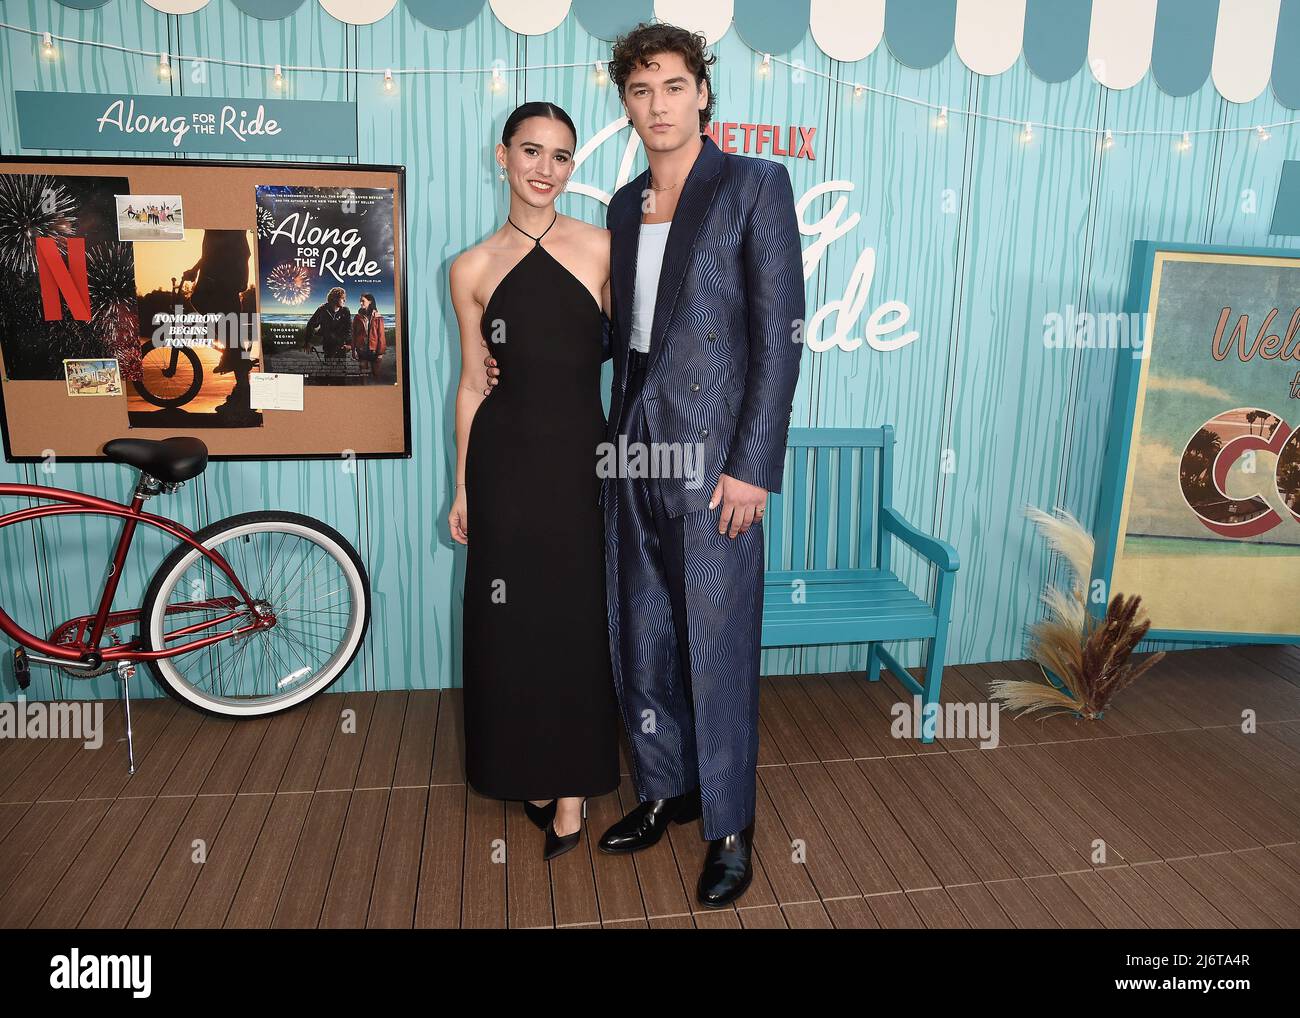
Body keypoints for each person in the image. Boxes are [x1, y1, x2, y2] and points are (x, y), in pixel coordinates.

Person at [485, 22, 804, 907]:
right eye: (639, 90)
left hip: (716, 467)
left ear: (702, 92)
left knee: (718, 643)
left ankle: (731, 825)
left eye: (672, 86)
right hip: (629, 454)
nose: (657, 105)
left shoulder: (754, 184)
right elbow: (617, 337)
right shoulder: (622, 206)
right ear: (624, 104)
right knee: (643, 635)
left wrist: (754, 465)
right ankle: (666, 790)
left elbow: (780, 341)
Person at [449, 101, 620, 861]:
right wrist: (460, 487)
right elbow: (471, 385)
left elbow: (640, 362)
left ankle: (574, 788)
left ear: (571, 166)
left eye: (559, 156)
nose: (544, 169)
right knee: (511, 625)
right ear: (502, 155)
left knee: (575, 619)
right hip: (503, 466)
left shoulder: (603, 250)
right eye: (530, 151)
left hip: (583, 461)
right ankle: (530, 768)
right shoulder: (472, 267)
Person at [302, 287, 352, 383]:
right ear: (335, 298)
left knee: (341, 373)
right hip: (328, 345)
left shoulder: (345, 311)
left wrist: (349, 344)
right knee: (330, 368)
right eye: (342, 298)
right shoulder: (322, 310)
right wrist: (307, 342)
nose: (344, 300)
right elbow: (311, 324)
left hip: (342, 345)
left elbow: (349, 329)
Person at [351, 293, 387, 382]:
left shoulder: (378, 317)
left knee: (376, 373)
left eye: (363, 301)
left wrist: (381, 352)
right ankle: (363, 392)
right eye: (360, 301)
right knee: (363, 374)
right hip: (361, 349)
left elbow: (381, 335)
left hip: (374, 350)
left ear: (370, 301)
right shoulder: (357, 317)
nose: (361, 303)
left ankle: (377, 392)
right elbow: (354, 335)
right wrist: (353, 350)